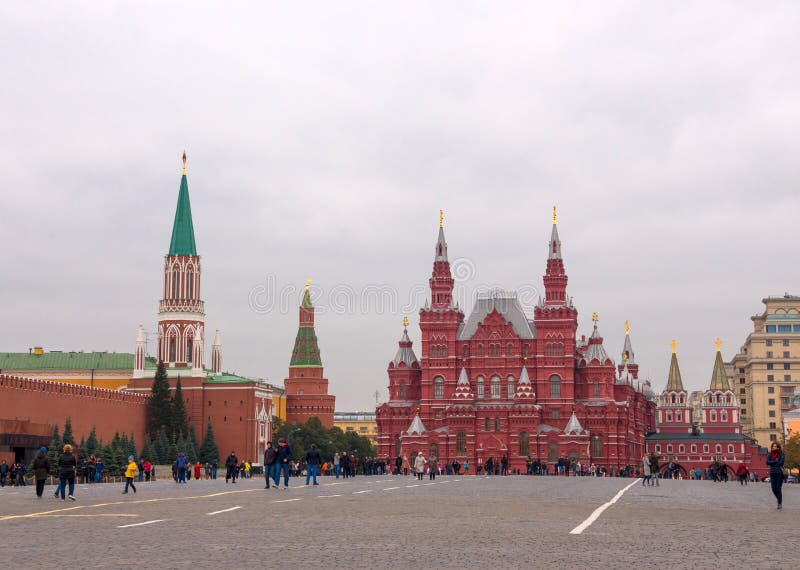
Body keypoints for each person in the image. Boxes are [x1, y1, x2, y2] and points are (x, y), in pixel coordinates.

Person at [766, 442, 785, 510]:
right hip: (772, 472)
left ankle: (779, 503)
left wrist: (773, 463)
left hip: (779, 473)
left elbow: (781, 463)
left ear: (778, 447)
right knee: (773, 489)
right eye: (772, 446)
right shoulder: (769, 454)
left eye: (775, 446)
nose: (773, 447)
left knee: (778, 488)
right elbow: (767, 462)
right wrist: (775, 462)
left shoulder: (781, 454)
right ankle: (779, 499)